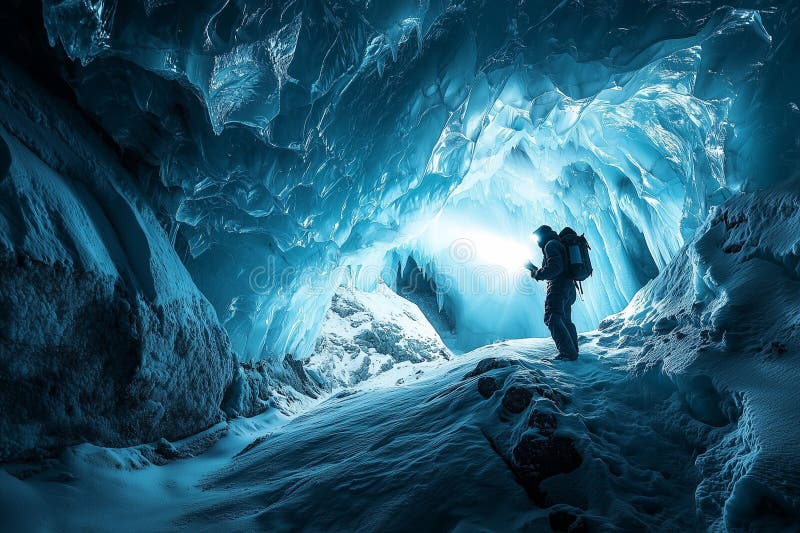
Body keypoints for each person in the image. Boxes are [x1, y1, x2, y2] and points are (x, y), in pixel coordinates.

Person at [526, 225, 579, 360]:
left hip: (558, 287)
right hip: (568, 287)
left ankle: (567, 353)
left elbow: (555, 268)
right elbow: (556, 267)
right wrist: (535, 269)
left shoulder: (550, 245)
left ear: (542, 236)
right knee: (565, 320)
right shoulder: (559, 244)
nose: (537, 242)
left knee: (552, 317)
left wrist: (537, 274)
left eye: (537, 238)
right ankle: (573, 351)